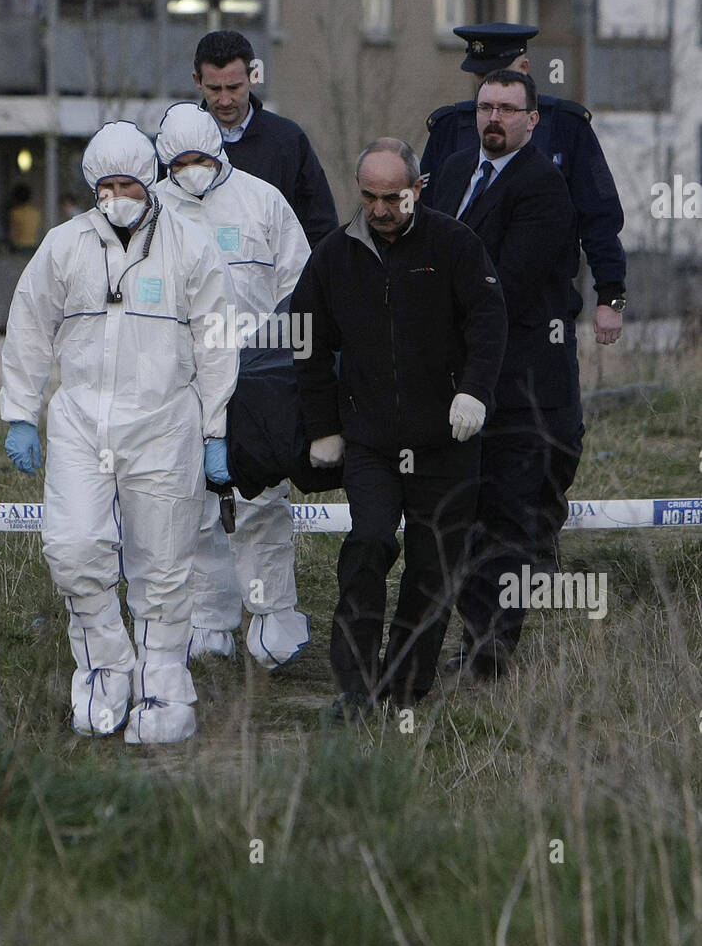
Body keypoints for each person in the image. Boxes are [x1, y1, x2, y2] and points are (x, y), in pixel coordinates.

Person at [0, 121, 239, 744]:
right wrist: (21, 411)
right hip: (81, 422)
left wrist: (216, 428)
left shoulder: (189, 245)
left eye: (128, 184)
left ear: (149, 182)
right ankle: (105, 673)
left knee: (162, 566)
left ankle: (164, 691)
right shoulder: (65, 245)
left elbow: (217, 339)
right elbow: (29, 324)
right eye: (105, 186)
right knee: (73, 548)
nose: (116, 196)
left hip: (164, 423)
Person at [291, 139, 508, 719]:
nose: (380, 209)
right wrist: (322, 427)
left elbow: (490, 320)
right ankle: (356, 687)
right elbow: (307, 340)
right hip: (371, 442)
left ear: (418, 189)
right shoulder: (335, 255)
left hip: (447, 440)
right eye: (369, 197)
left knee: (433, 566)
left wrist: (475, 392)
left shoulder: (455, 244)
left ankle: (406, 687)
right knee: (369, 544)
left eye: (393, 197)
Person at [421, 22, 626, 566]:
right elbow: (426, 218)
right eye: (482, 90)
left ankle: (535, 544)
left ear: (526, 77)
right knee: (482, 452)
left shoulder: (565, 127)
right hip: (460, 330)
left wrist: (611, 292)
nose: (492, 111)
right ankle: (495, 559)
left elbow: (598, 216)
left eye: (505, 95)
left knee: (556, 439)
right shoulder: (451, 132)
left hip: (539, 317)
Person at [155, 101, 312, 669]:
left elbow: (300, 288)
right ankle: (210, 621)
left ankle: (274, 619)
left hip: (255, 381)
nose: (191, 172)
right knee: (194, 506)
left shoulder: (262, 202)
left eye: (200, 160)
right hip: (182, 381)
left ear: (219, 153)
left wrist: (283, 367)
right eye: (179, 164)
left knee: (260, 501)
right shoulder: (152, 212)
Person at [433, 71, 578, 680]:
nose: (494, 118)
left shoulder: (542, 186)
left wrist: (430, 298)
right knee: (461, 519)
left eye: (508, 109)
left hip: (521, 389)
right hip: (459, 380)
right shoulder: (453, 170)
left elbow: (505, 285)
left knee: (507, 523)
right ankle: (472, 641)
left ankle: (492, 655)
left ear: (532, 120)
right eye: (486, 106)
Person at [192, 29, 339, 248]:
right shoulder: (179, 145)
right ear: (198, 81)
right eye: (214, 89)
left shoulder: (288, 141)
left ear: (253, 77)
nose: (225, 100)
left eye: (233, 88)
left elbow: (320, 226)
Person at [7, 183, 42, 251]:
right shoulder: (36, 212)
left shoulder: (15, 212)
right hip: (33, 246)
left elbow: (13, 233)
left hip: (19, 247)